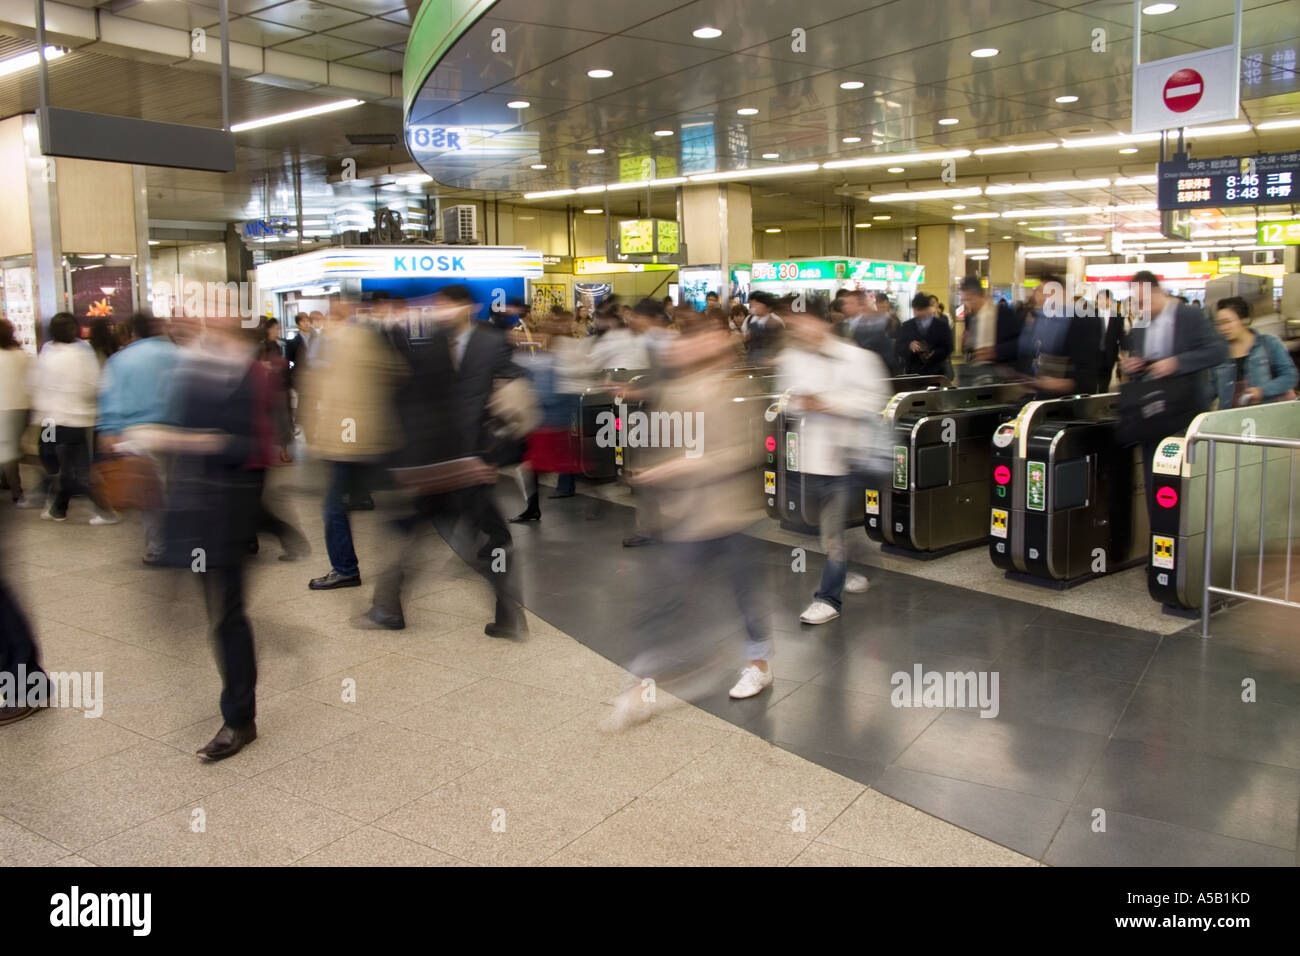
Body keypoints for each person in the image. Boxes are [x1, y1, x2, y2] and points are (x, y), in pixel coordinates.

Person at [364, 284, 527, 636]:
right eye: (439, 307)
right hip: (438, 462)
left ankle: (388, 604)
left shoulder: (492, 343)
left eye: (450, 306)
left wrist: (495, 453)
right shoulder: (429, 343)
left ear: (470, 307)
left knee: (485, 537)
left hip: (474, 463)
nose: (443, 313)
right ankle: (388, 604)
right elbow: (413, 401)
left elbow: (513, 401)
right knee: (425, 531)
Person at [779, 297, 888, 625]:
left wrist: (828, 404)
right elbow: (785, 401)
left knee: (831, 534)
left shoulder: (858, 358)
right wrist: (799, 403)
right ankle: (859, 564)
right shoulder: (793, 359)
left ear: (824, 322)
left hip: (847, 460)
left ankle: (828, 598)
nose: (799, 330)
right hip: (811, 461)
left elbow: (874, 401)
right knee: (828, 531)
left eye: (803, 322)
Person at [300, 300, 408, 590]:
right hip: (374, 438)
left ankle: (346, 569)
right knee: (389, 506)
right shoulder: (369, 339)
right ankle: (394, 565)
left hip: (346, 442)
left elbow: (321, 391)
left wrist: (316, 435)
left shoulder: (331, 343)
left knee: (334, 507)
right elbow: (398, 374)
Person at [1119, 270, 1228, 515]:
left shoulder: (1189, 316)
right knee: (1153, 481)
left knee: (1186, 480)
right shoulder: (1141, 325)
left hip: (1184, 412)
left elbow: (1218, 351)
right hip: (1151, 416)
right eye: (1136, 303)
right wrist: (1134, 365)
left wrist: (1177, 362)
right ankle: (1159, 535)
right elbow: (1142, 362)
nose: (1140, 307)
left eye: (1144, 301)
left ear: (1158, 292)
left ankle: (1189, 536)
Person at [97, 312, 180, 562]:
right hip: (176, 432)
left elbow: (109, 398)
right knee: (176, 488)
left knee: (150, 494)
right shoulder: (177, 354)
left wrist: (109, 429)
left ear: (133, 332)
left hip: (138, 434)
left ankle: (158, 549)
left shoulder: (120, 360)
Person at [31, 313, 116, 525]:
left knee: (54, 460)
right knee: (70, 466)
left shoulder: (47, 351)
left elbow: (36, 383)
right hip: (74, 421)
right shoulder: (83, 351)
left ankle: (62, 503)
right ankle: (58, 504)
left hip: (52, 420)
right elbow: (97, 384)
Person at [511, 310, 591, 520]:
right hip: (559, 418)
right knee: (559, 462)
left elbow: (547, 391)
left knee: (532, 466)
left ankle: (534, 507)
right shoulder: (564, 350)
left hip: (549, 421)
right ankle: (538, 505)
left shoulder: (558, 355)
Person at [1012, 275, 1102, 397]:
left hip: (1066, 400)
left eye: (1046, 292)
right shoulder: (1035, 318)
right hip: (1035, 392)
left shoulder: (1084, 321)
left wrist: (1065, 383)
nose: (1039, 296)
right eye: (1038, 291)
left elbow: (1089, 369)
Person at [1210, 296, 1298, 408]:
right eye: (1219, 324)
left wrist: (1262, 391)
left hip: (1264, 415)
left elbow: (1290, 376)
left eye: (1228, 322)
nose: (1223, 328)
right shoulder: (1219, 352)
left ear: (1245, 320)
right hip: (1230, 418)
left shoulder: (1269, 343)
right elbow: (1212, 388)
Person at [959, 275, 1023, 383]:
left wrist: (994, 352)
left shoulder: (1003, 313)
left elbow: (1020, 343)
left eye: (968, 299)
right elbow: (969, 350)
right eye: (964, 300)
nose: (966, 304)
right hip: (977, 372)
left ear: (978, 296)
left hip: (1001, 374)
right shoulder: (970, 317)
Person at [0, 319, 32, 506]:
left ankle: (16, 491)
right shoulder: (22, 355)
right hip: (22, 408)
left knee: (7, 450)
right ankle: (8, 483)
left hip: (3, 409)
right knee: (9, 448)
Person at [895, 292, 954, 377]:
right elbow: (898, 347)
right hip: (913, 373)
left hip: (936, 372)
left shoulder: (941, 326)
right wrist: (909, 346)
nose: (917, 313)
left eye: (920, 309)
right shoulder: (907, 326)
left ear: (927, 308)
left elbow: (949, 347)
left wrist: (934, 352)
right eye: (915, 309)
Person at [837, 289, 897, 374]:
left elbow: (887, 358)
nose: (846, 306)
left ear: (861, 305)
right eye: (845, 303)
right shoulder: (839, 327)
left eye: (851, 303)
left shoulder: (874, 326)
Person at [1095, 289, 1125, 392]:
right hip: (1093, 355)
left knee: (1104, 384)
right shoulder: (1090, 315)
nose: (1101, 301)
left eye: (1104, 298)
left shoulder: (1117, 317)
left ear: (1110, 300)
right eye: (1099, 298)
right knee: (1092, 384)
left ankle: (1102, 402)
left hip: (1109, 355)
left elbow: (1120, 337)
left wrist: (1122, 355)